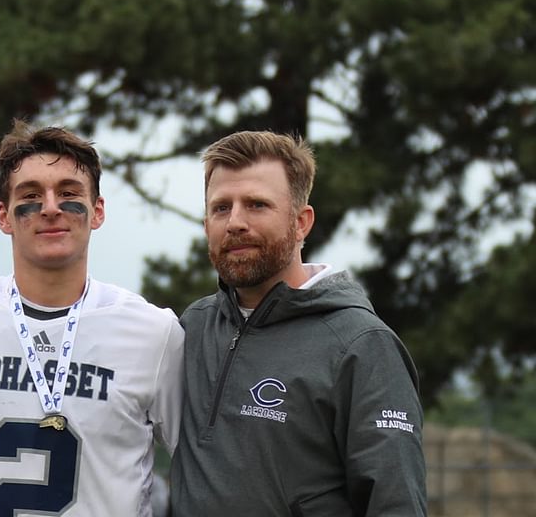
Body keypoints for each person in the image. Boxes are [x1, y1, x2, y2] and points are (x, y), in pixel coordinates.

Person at [0, 120, 183, 516]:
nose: (50, 207)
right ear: (3, 216)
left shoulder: (154, 332)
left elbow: (198, 466)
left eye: (68, 193)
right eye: (30, 195)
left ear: (97, 211)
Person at [169, 131, 427, 515]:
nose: (235, 222)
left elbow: (396, 504)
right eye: (221, 208)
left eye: (257, 204)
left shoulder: (360, 344)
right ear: (207, 224)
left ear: (301, 222)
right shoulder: (194, 327)